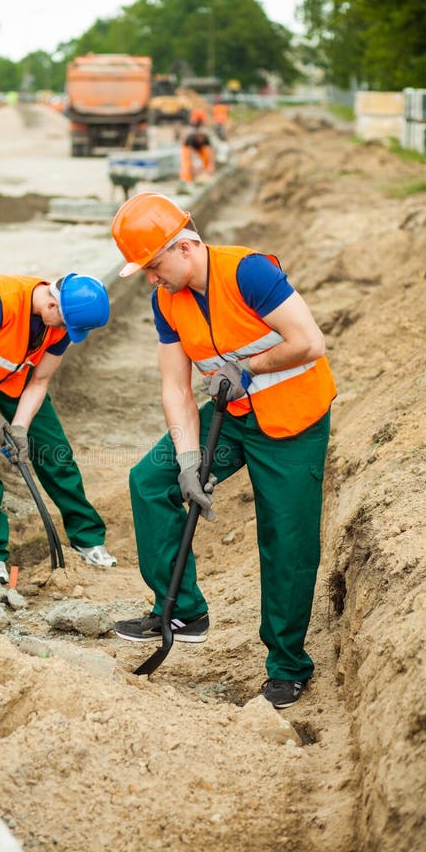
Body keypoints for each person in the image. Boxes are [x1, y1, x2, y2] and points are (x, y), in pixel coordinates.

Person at [110, 193, 336, 709]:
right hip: (232, 418)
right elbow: (176, 387)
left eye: (153, 265)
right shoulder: (166, 299)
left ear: (185, 246)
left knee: (286, 537)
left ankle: (288, 665)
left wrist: (250, 369)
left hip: (293, 418)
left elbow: (309, 340)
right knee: (152, 481)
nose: (151, 278)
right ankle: (183, 611)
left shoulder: (249, 273)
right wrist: (189, 462)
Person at [0, 272, 117, 582]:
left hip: (15, 381)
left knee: (55, 454)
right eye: (63, 324)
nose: (64, 331)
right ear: (52, 303)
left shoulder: (60, 325)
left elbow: (40, 380)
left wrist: (20, 428)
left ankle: (86, 538)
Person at [177, 129, 215, 194]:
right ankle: (185, 181)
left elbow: (210, 152)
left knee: (204, 162)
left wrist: (211, 165)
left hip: (199, 150)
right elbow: (191, 153)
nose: (201, 140)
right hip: (187, 150)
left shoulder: (206, 139)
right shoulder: (192, 138)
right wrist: (195, 166)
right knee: (187, 165)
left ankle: (202, 178)